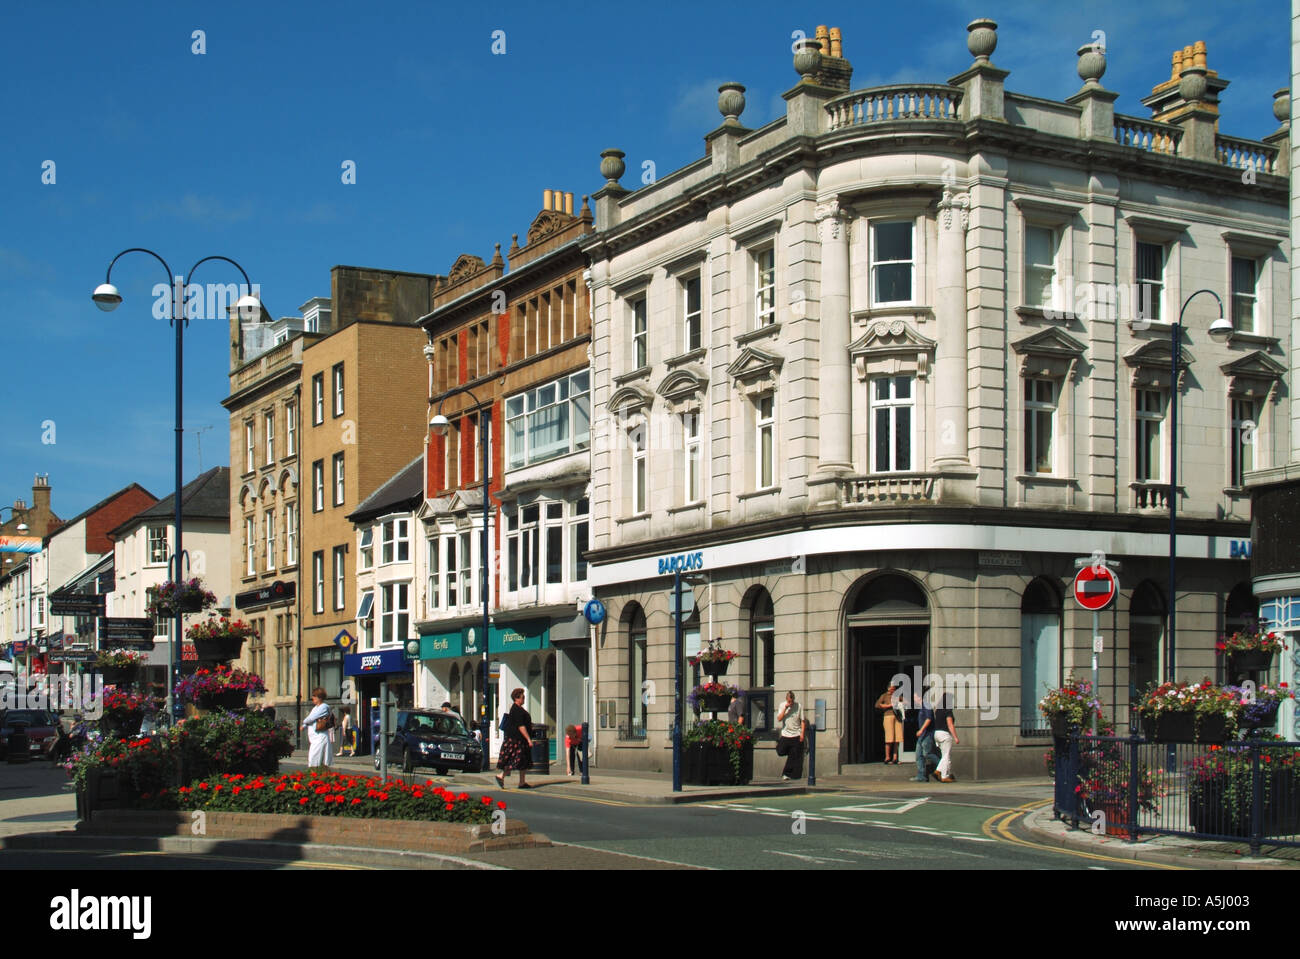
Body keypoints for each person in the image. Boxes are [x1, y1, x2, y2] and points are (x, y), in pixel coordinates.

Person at [495, 687, 534, 789]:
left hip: (519, 740)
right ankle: (501, 776)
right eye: (522, 697)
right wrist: (529, 739)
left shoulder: (516, 709)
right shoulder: (517, 710)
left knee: (523, 761)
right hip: (516, 740)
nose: (524, 699)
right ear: (517, 698)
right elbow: (521, 726)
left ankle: (522, 782)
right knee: (514, 760)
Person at [301, 687, 334, 772]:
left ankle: (319, 778)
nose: (313, 698)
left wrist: (304, 722)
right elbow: (310, 719)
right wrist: (304, 725)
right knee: (314, 759)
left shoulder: (324, 707)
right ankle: (318, 777)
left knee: (316, 759)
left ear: (319, 697)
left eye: (314, 696)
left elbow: (311, 718)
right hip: (315, 737)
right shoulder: (315, 707)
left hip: (320, 737)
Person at [775, 691, 806, 781]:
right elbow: (779, 719)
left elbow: (803, 721)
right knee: (780, 751)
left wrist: (802, 733)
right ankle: (788, 749)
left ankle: (786, 774)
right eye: (789, 702)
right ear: (786, 700)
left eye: (792, 702)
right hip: (786, 734)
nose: (791, 704)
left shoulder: (799, 706)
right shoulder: (782, 705)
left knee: (792, 756)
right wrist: (785, 709)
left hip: (796, 734)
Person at [913, 693, 939, 783]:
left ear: (919, 697)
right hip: (922, 735)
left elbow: (928, 719)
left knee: (927, 754)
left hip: (927, 734)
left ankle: (941, 766)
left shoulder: (926, 705)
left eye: (915, 697)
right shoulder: (920, 707)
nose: (914, 699)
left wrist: (921, 730)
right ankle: (921, 776)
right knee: (918, 755)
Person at [933, 692, 959, 783]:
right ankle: (939, 772)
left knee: (945, 756)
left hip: (937, 734)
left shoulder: (938, 710)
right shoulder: (948, 710)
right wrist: (955, 737)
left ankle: (945, 775)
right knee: (946, 756)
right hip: (944, 734)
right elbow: (950, 724)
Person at [875, 682, 902, 764]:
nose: (893, 690)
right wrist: (889, 705)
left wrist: (900, 704)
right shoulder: (884, 696)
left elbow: (906, 703)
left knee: (897, 738)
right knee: (889, 737)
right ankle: (887, 757)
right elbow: (877, 705)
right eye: (892, 689)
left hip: (897, 717)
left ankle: (895, 757)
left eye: (894, 689)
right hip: (888, 716)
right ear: (888, 688)